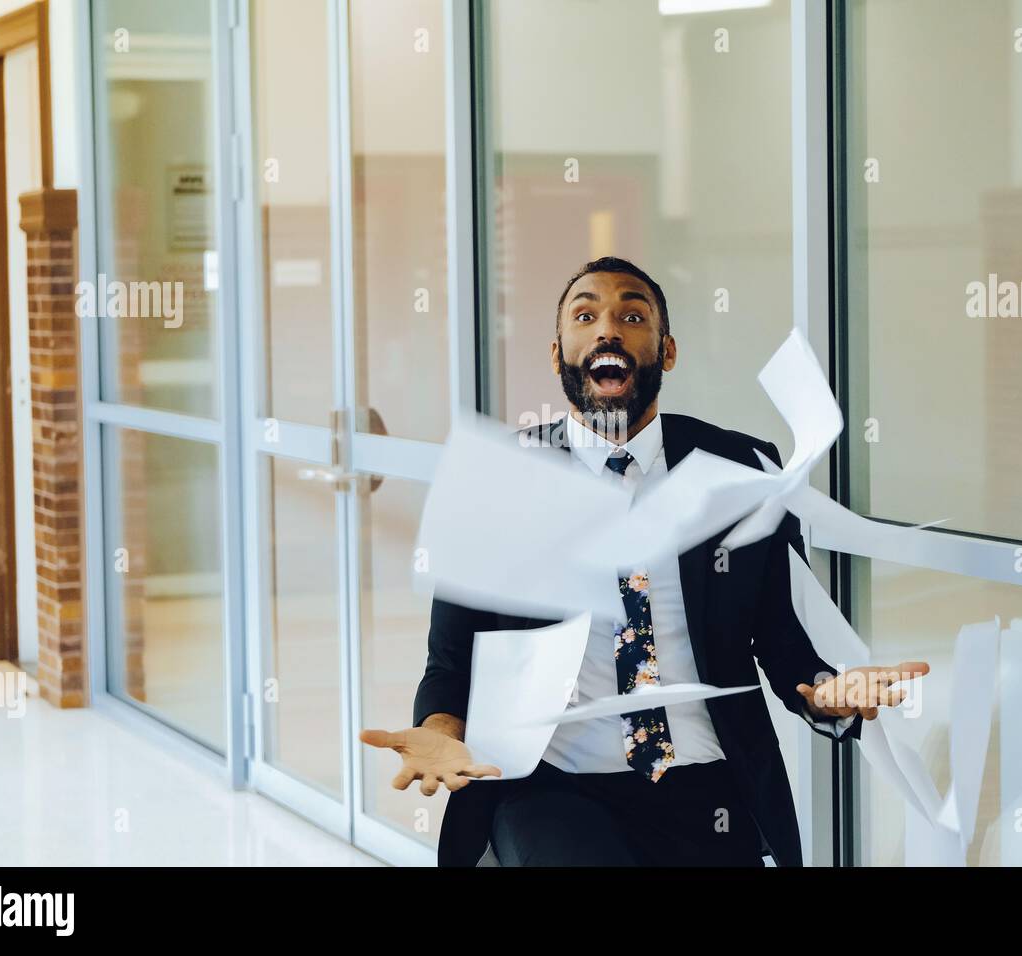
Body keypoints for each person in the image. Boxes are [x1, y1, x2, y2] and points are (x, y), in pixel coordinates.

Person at [361, 256, 928, 866]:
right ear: (557, 354)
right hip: (555, 784)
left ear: (667, 350)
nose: (608, 329)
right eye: (586, 315)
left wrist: (828, 690)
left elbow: (783, 641)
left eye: (633, 315)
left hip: (707, 781)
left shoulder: (738, 469)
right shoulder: (498, 482)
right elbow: (450, 660)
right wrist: (441, 733)